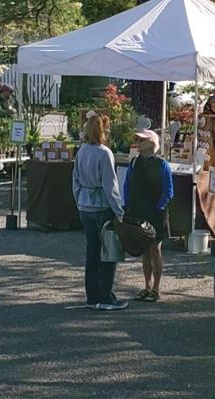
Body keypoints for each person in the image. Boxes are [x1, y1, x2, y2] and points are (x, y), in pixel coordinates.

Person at [72, 115, 126, 311]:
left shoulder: (82, 151)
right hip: (102, 206)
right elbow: (110, 185)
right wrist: (119, 210)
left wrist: (79, 201)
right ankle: (106, 296)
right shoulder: (105, 153)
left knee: (92, 251)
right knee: (108, 252)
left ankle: (91, 295)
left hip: (85, 204)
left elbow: (75, 180)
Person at [124, 129, 174, 303]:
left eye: (142, 140)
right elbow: (127, 185)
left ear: (152, 143)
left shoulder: (162, 165)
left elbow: (169, 190)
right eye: (137, 139)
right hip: (137, 210)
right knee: (144, 249)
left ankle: (156, 288)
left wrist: (159, 208)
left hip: (155, 212)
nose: (138, 143)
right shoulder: (134, 163)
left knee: (155, 248)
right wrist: (127, 205)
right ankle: (146, 285)